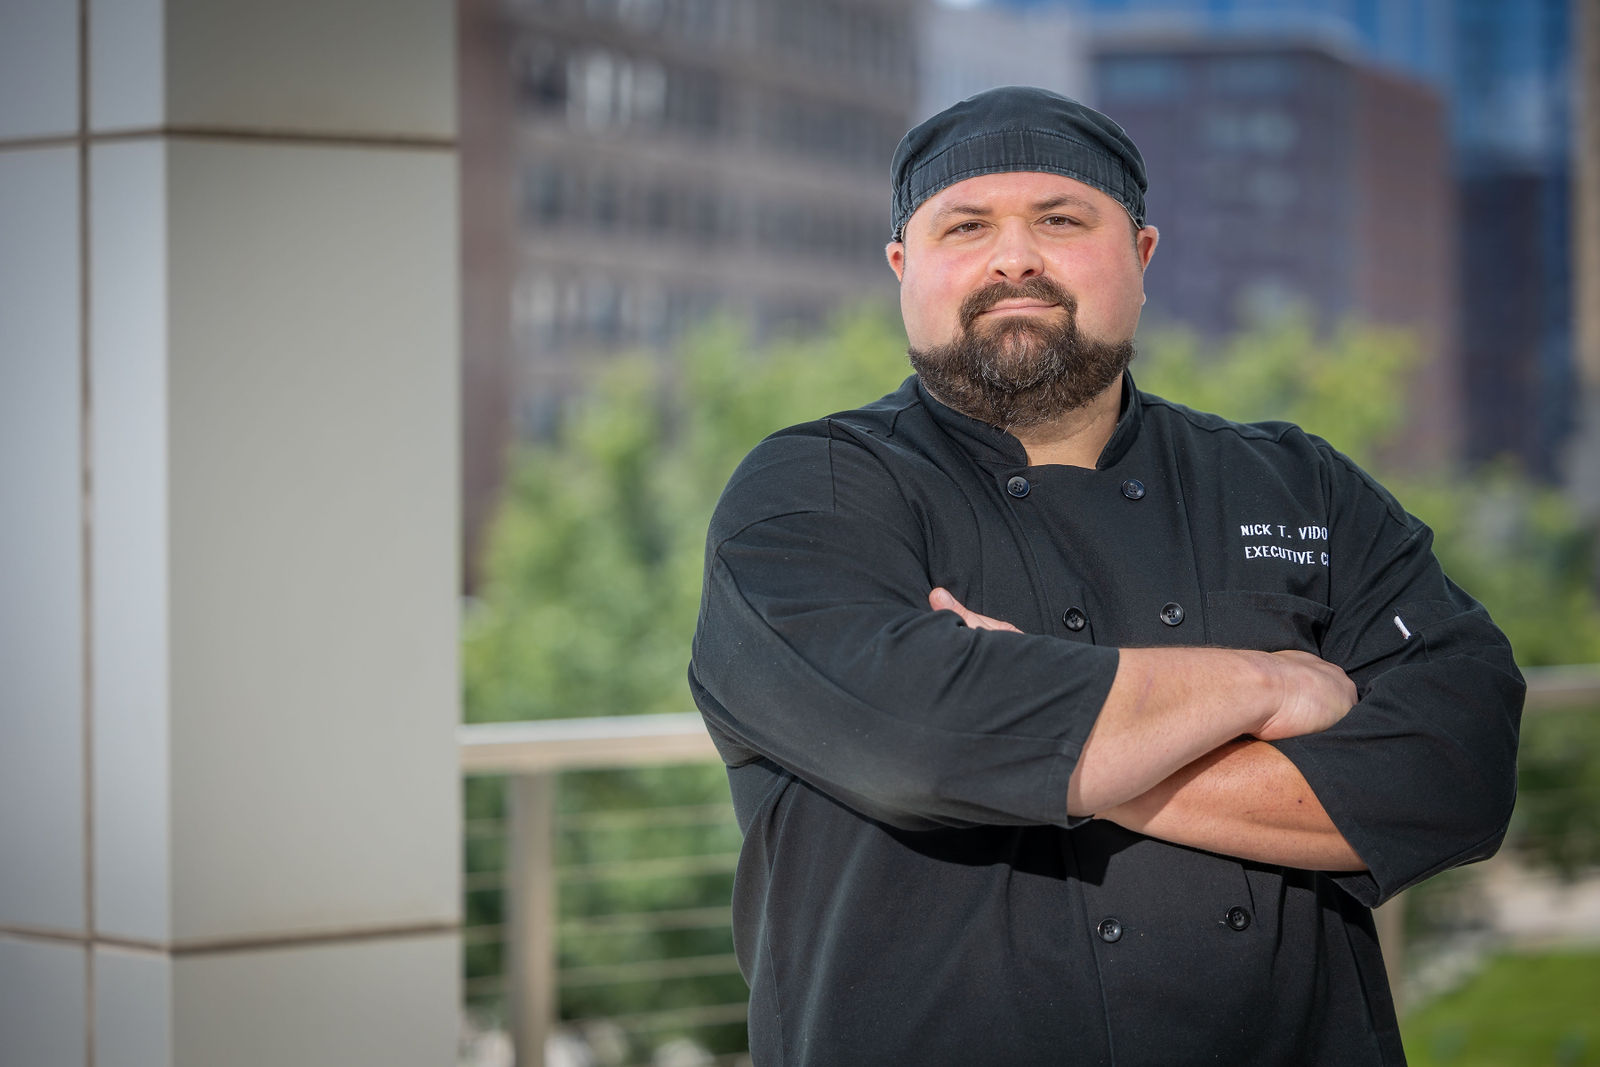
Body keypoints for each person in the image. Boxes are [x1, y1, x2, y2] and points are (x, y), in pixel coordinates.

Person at [687, 86, 1524, 1065]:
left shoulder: (1298, 484)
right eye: (967, 225)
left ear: (1142, 254)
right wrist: (1267, 681)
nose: (1013, 257)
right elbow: (922, 740)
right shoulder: (810, 491)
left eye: (1060, 218)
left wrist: (1042, 730)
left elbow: (1453, 768)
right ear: (901, 268)